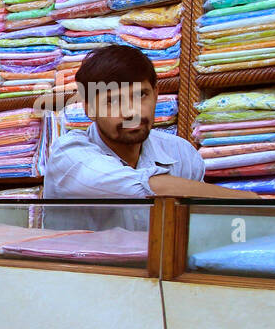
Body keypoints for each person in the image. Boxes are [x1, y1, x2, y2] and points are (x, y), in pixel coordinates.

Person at [43, 45, 255, 231]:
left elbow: (199, 227)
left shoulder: (181, 153)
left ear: (155, 93)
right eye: (112, 101)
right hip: (83, 275)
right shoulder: (70, 155)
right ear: (89, 108)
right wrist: (251, 201)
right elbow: (138, 186)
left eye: (141, 95)